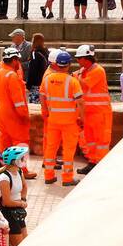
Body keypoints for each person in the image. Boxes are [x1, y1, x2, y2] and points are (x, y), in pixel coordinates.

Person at [40, 50, 84, 186]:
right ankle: (67, 178)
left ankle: (48, 176)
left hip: (53, 120)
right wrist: (82, 117)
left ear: (56, 64)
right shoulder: (73, 81)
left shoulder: (47, 79)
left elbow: (42, 95)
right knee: (68, 150)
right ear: (69, 64)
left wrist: (46, 110)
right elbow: (80, 101)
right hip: (70, 121)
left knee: (51, 148)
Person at [0, 47, 32, 172]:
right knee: (20, 141)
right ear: (14, 60)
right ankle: (22, 170)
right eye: (18, 60)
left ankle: (5, 168)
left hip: (0, 113)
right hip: (13, 114)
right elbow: (19, 102)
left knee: (3, 142)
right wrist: (25, 116)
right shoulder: (12, 76)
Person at [74, 45, 111, 173]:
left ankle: (100, 165)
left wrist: (76, 77)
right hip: (89, 112)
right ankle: (92, 162)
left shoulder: (97, 70)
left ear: (86, 58)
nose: (77, 61)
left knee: (101, 140)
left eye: (79, 58)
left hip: (100, 112)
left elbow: (83, 84)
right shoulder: (84, 71)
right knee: (90, 140)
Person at [0, 145, 31, 246]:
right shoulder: (4, 177)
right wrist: (21, 203)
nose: (24, 160)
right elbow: (6, 202)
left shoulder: (19, 171)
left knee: (26, 242)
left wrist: (23, 199)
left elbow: (24, 186)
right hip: (8, 213)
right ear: (14, 161)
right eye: (22, 158)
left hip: (17, 211)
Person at [26, 33, 48, 99]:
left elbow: (32, 70)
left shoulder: (35, 54)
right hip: (45, 83)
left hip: (36, 85)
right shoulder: (46, 52)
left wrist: (28, 86)